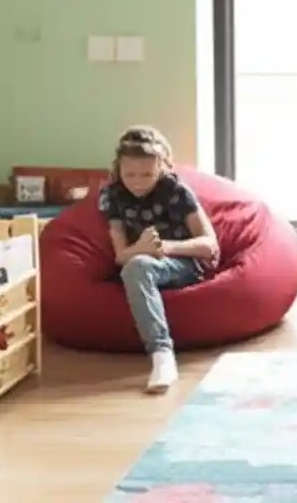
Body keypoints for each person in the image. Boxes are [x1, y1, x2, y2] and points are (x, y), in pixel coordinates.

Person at [98, 126, 219, 394]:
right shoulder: (113, 195)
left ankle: (163, 355)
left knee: (138, 265)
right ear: (118, 170)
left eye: (147, 174)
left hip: (182, 264)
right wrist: (141, 247)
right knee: (135, 266)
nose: (138, 181)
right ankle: (161, 355)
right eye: (130, 174)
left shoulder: (176, 192)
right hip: (141, 263)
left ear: (162, 167)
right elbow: (120, 256)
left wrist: (164, 247)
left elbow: (210, 245)